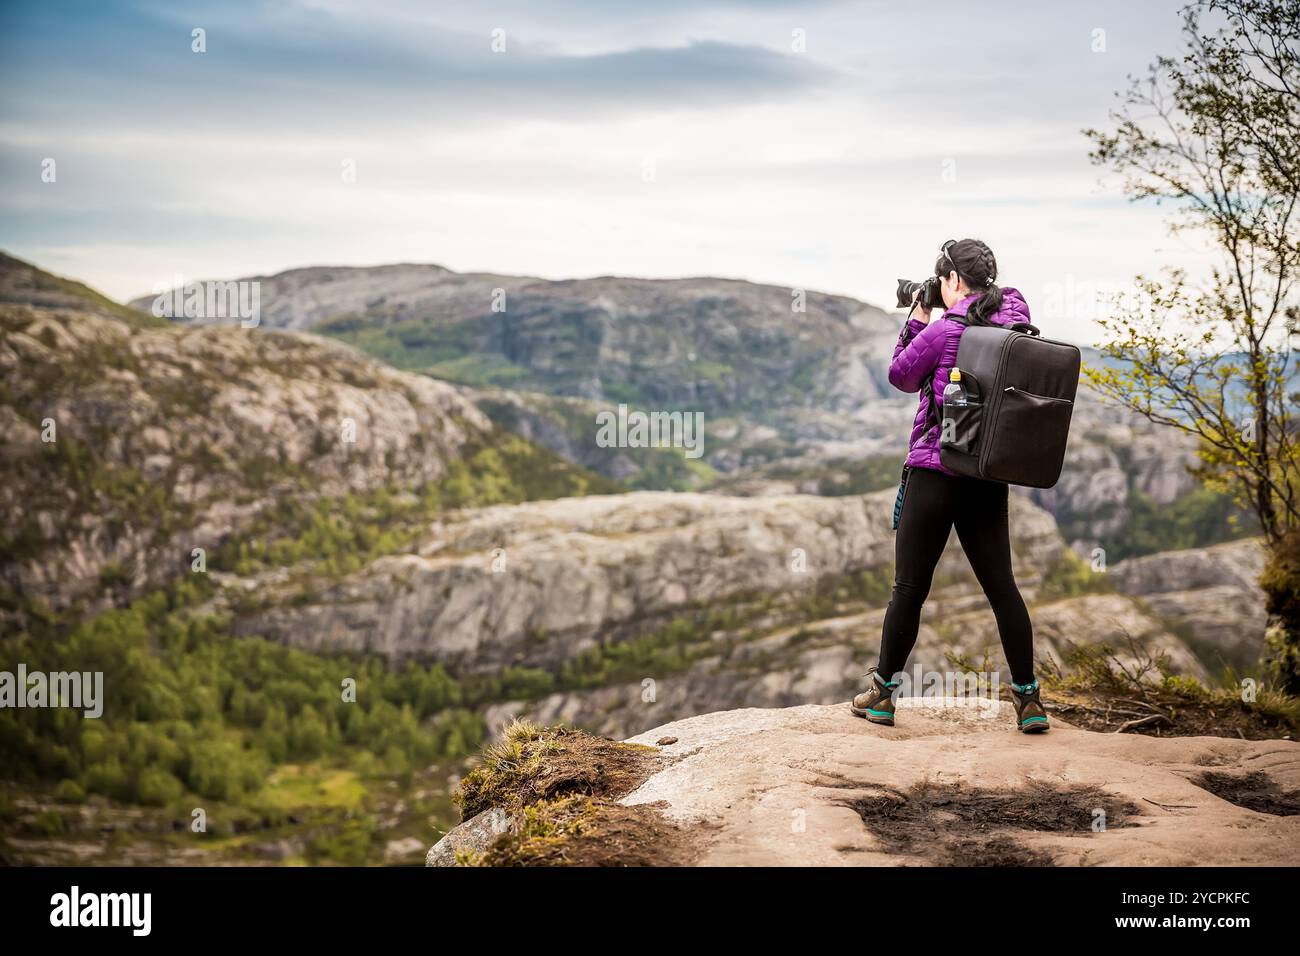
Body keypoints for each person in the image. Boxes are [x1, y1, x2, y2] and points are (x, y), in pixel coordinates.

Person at [850, 238, 1048, 733]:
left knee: (910, 589)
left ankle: (882, 695)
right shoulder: (1016, 323)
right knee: (1003, 588)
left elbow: (900, 375)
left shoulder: (943, 331)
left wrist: (917, 316)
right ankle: (1029, 702)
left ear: (953, 281)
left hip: (935, 472)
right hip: (986, 476)